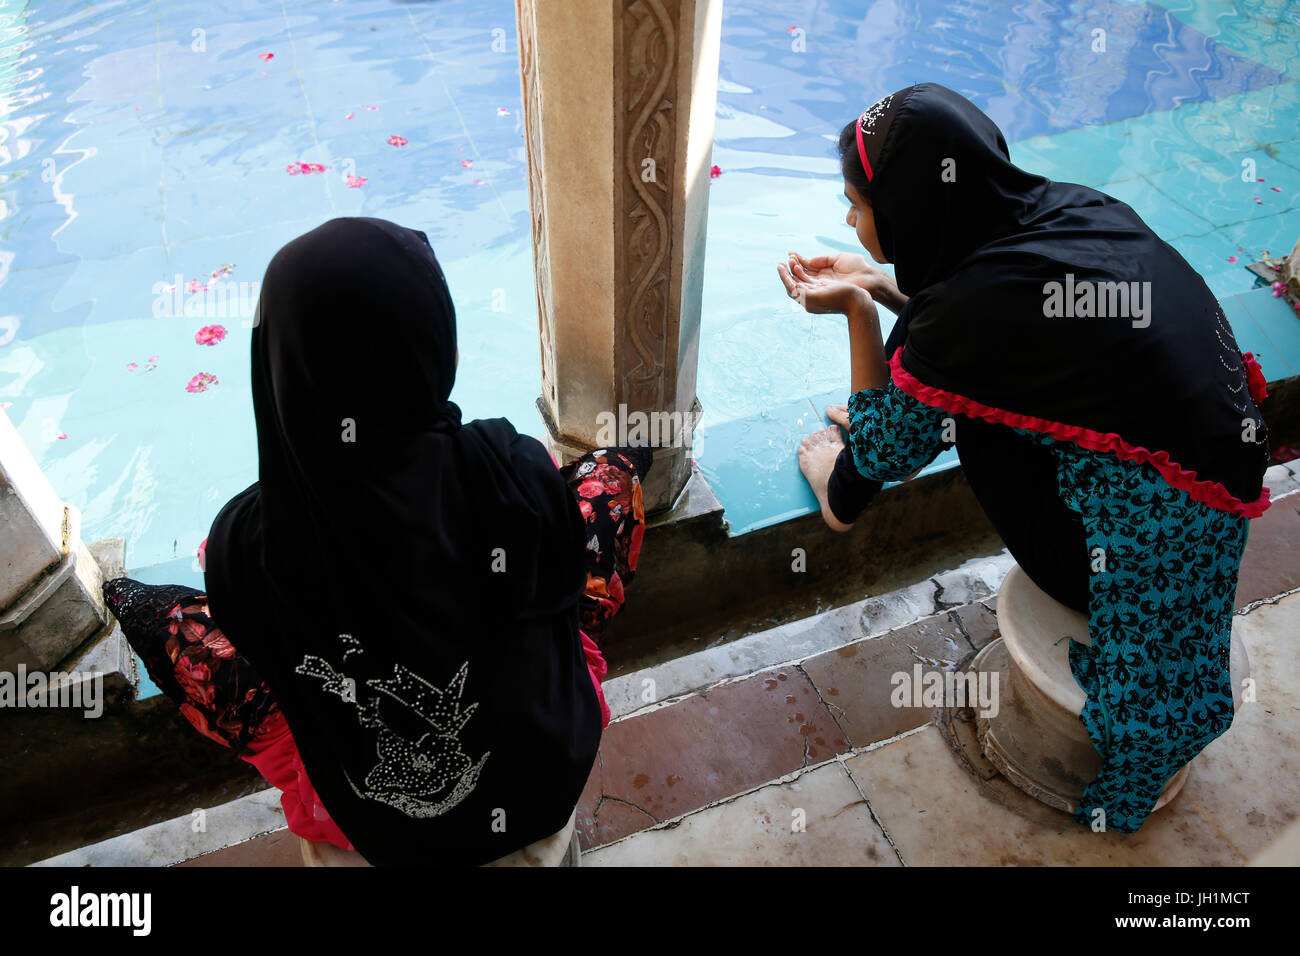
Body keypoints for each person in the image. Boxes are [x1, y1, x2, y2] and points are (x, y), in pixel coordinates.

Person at [777, 83, 1271, 833]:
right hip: (1202, 516)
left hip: (1117, 569)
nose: (850, 218)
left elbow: (870, 475)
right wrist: (882, 282)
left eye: (858, 203)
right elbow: (984, 305)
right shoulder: (1068, 208)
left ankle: (862, 448)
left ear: (911, 207)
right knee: (953, 383)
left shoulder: (962, 318)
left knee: (961, 425)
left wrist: (853, 311)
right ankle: (900, 397)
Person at [103, 217, 650, 865]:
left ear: (276, 358)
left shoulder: (246, 542)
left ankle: (115, 591)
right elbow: (554, 571)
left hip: (368, 825)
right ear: (431, 340)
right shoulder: (508, 469)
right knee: (610, 474)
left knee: (156, 616)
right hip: (541, 780)